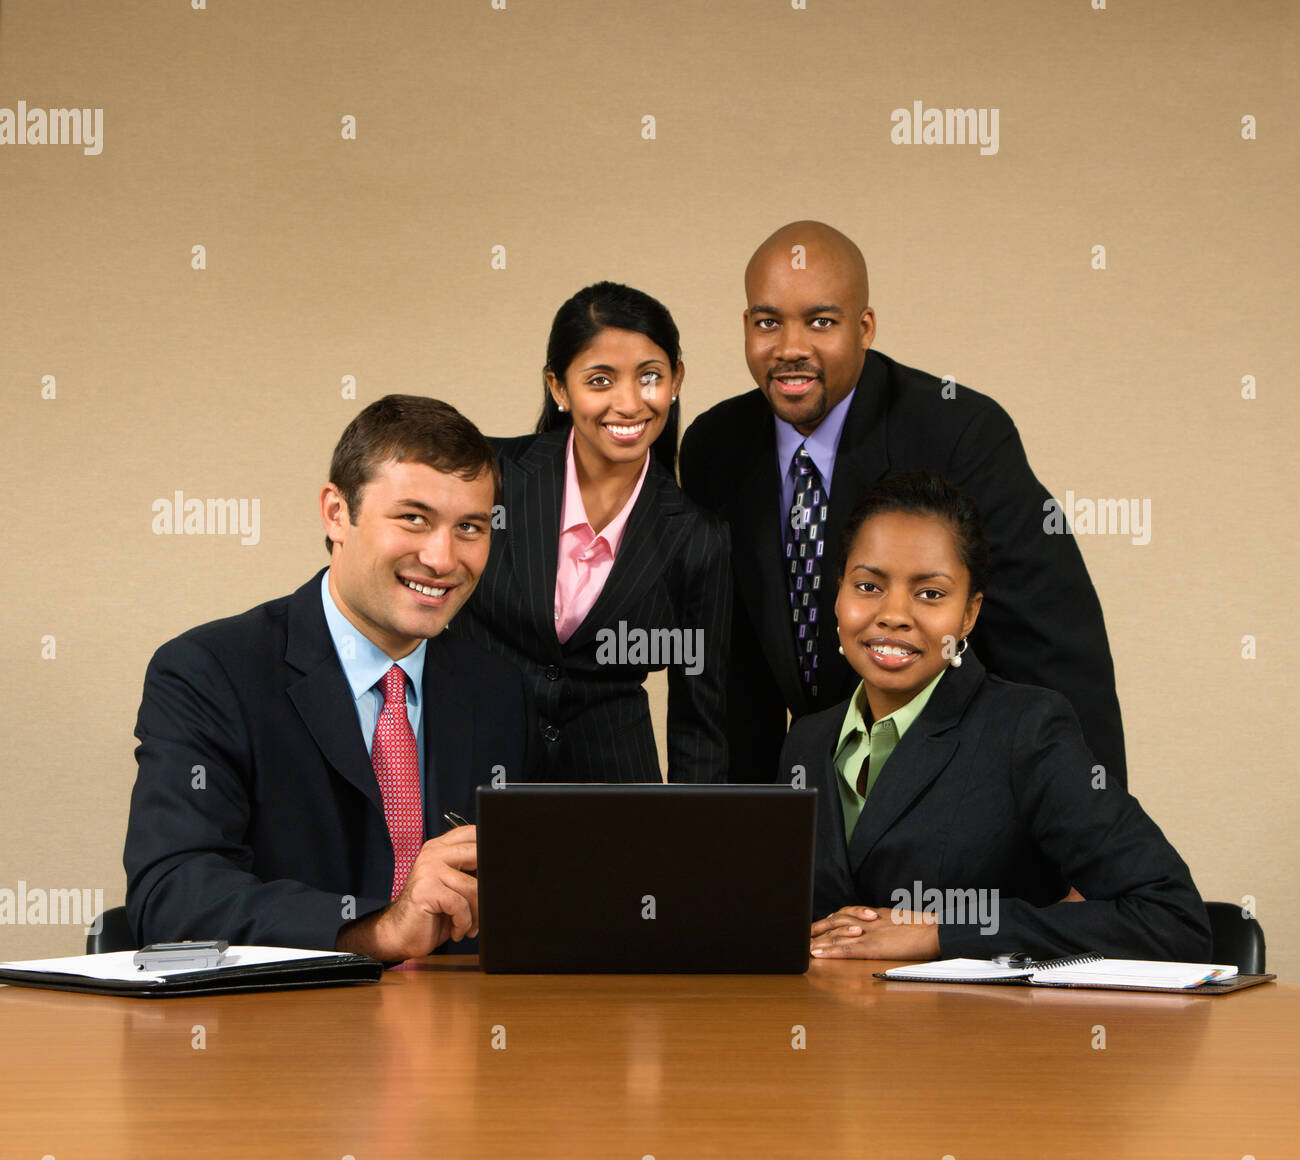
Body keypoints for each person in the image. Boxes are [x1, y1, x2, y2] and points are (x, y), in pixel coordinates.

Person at [680, 220, 1127, 786]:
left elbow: (1055, 649)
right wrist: (719, 833)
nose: (791, 349)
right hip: (812, 797)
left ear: (865, 327)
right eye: (769, 323)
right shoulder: (714, 447)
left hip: (958, 789)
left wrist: (1090, 838)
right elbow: (727, 679)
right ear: (746, 326)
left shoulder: (960, 435)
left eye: (821, 321)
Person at [124, 395, 535, 963]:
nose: (442, 558)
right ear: (336, 513)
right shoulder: (207, 671)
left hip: (457, 1032)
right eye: (413, 518)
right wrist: (379, 930)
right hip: (281, 1033)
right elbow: (172, 897)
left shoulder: (499, 691)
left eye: (469, 527)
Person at [779, 471, 1210, 963]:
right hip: (830, 1032)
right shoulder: (808, 742)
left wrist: (944, 934)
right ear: (838, 594)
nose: (894, 613)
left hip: (981, 1033)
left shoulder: (1027, 730)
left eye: (931, 594)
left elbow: (1173, 919)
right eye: (868, 585)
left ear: (969, 614)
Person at [454, 282, 732, 781]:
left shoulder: (698, 539)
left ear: (676, 380)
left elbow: (698, 720)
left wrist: (695, 845)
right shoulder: (489, 477)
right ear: (559, 387)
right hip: (473, 765)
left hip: (615, 791)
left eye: (650, 376)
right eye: (600, 380)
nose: (629, 403)